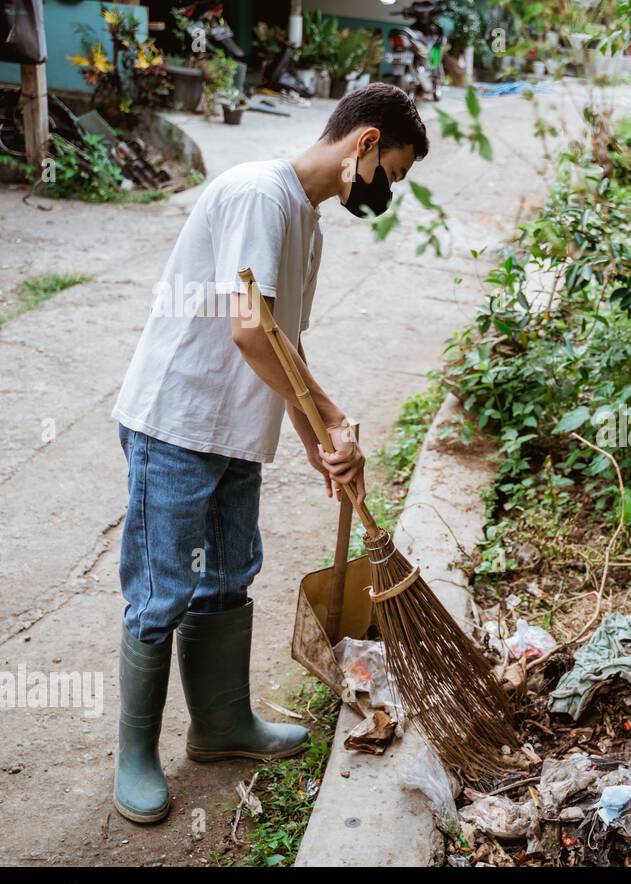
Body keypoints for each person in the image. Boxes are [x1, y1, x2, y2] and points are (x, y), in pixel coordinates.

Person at [109, 84, 429, 824]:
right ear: (366, 143)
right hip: (177, 423)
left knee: (227, 578)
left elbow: (285, 342)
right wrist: (334, 413)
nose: (385, 192)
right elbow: (250, 333)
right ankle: (134, 753)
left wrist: (315, 436)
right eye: (392, 173)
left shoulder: (305, 222)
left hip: (233, 431)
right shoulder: (260, 194)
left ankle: (221, 727)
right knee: (163, 589)